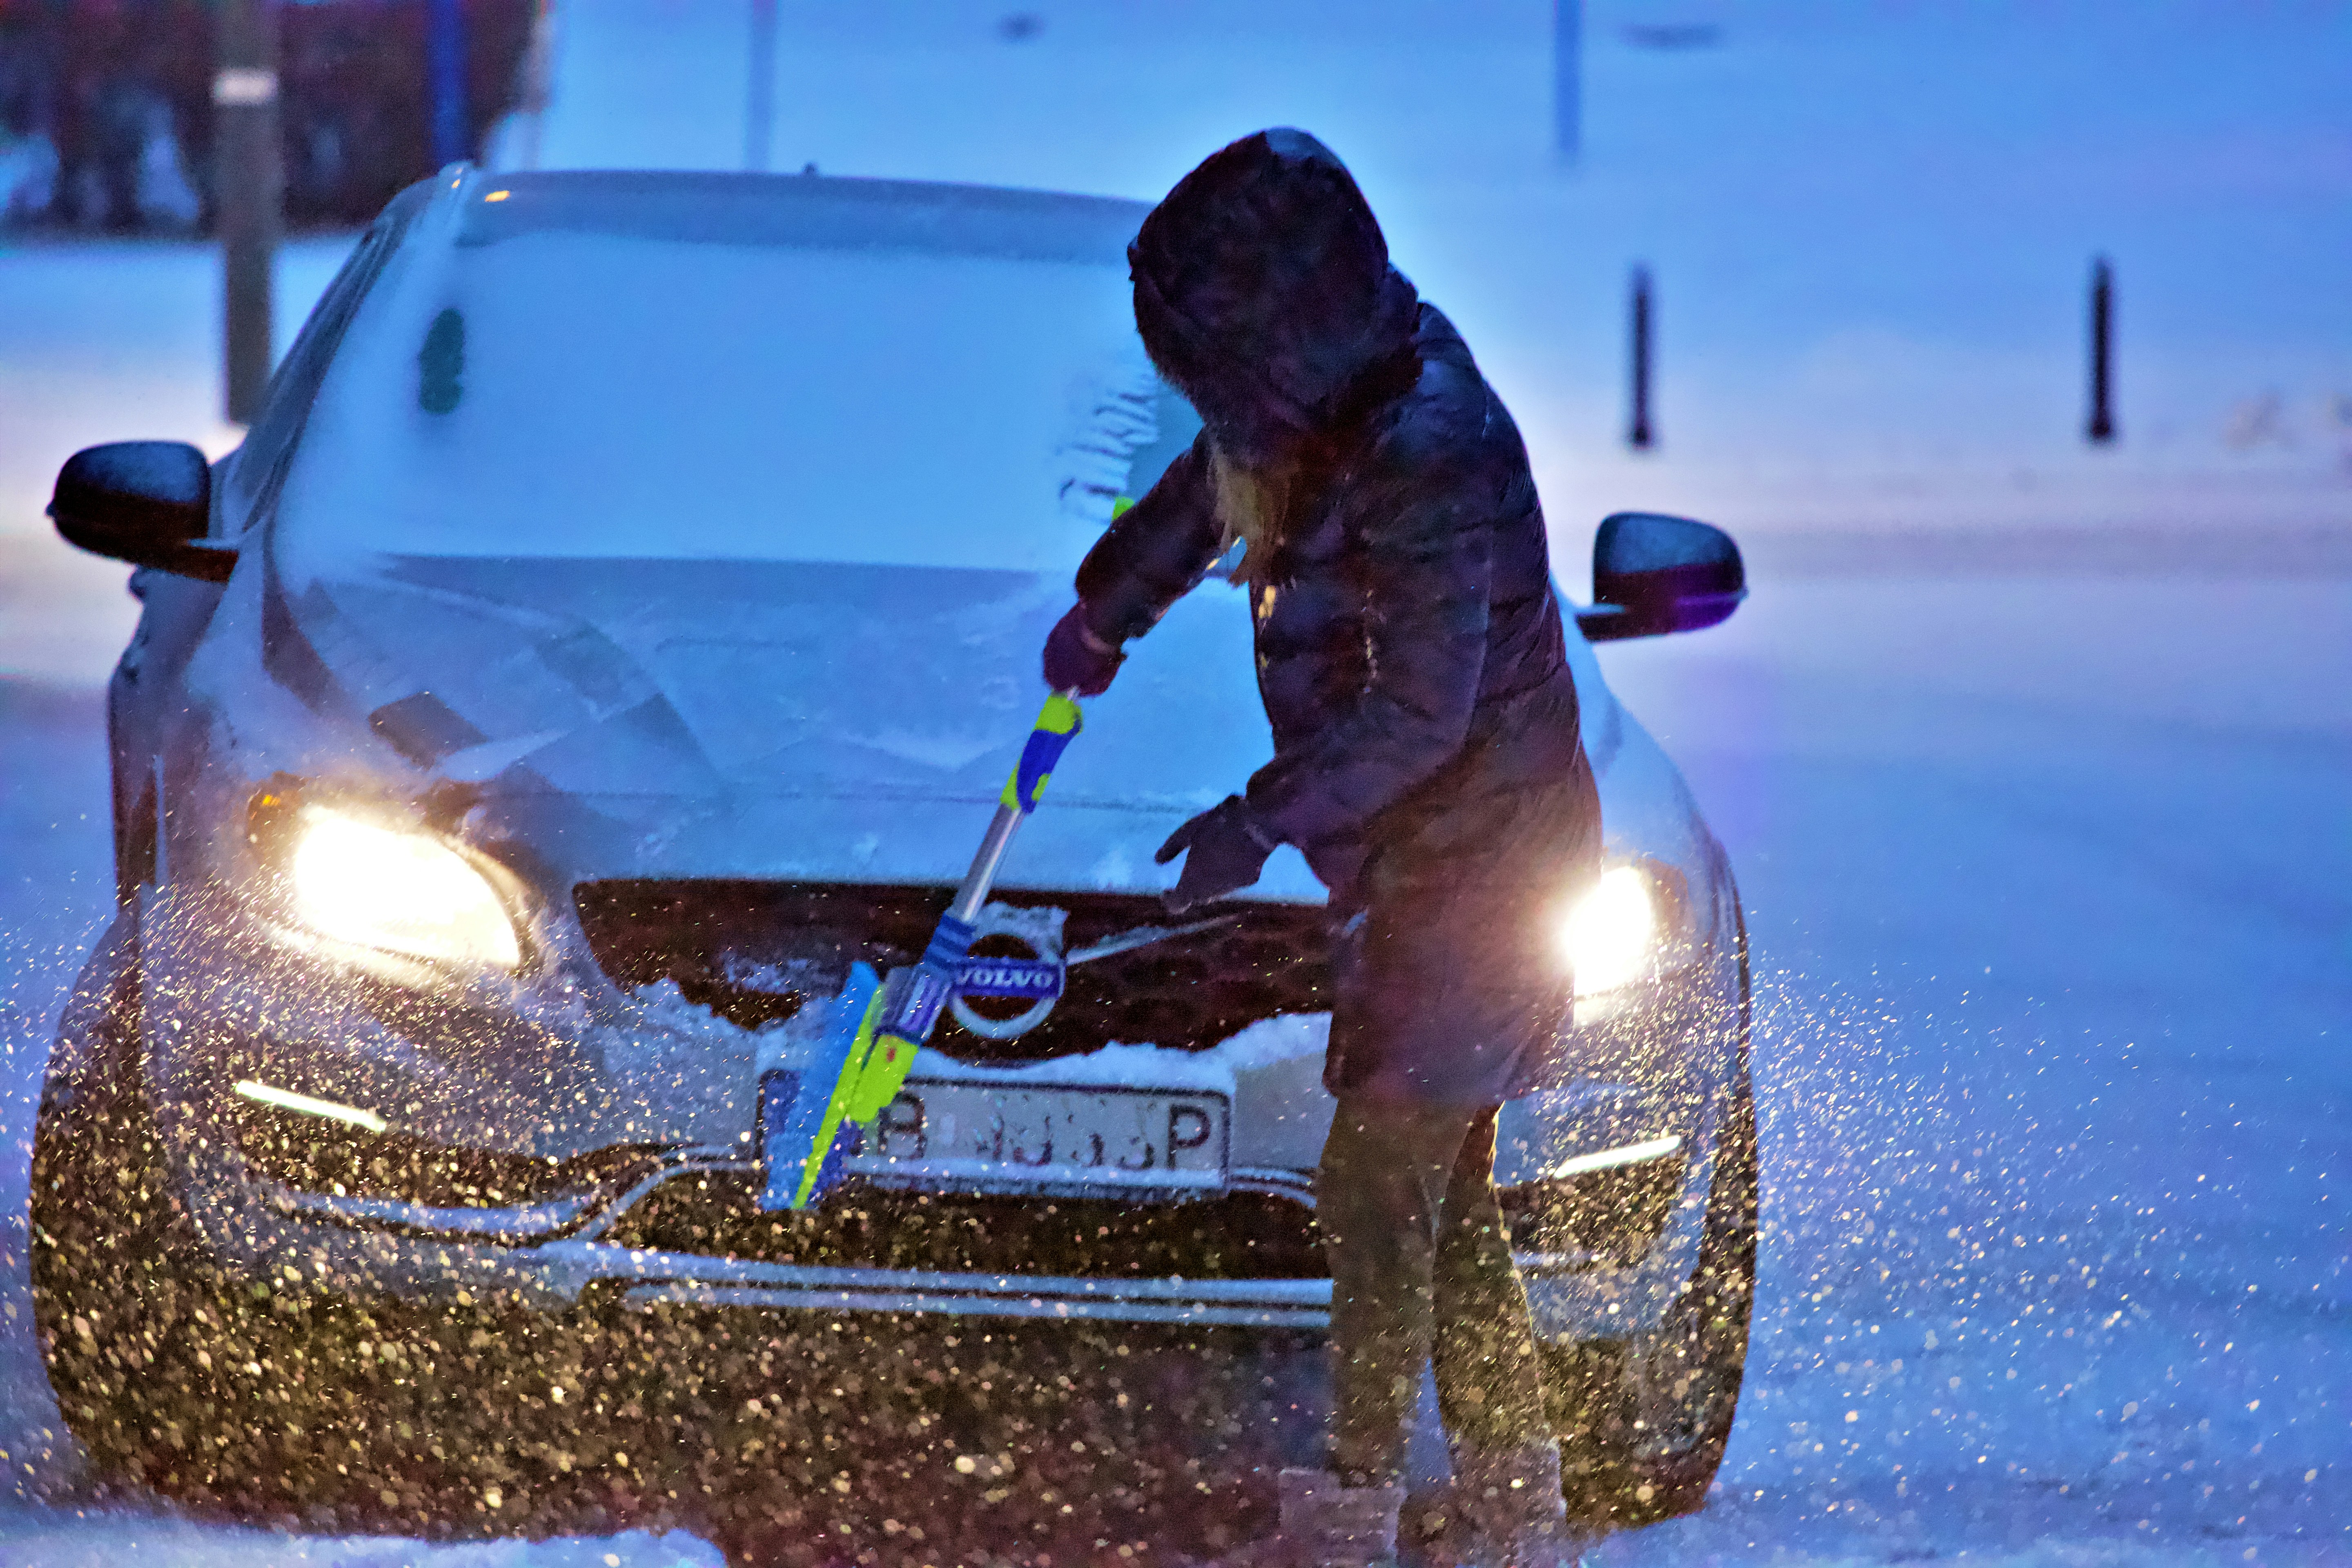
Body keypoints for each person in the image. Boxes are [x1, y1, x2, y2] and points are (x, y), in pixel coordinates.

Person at [1041, 129, 1600, 1568]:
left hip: (1490, 867)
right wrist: (1111, 610)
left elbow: (1421, 716)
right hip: (1427, 868)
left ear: (1278, 342)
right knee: (1440, 1191)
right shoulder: (1324, 407)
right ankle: (1515, 1500)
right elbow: (1207, 493)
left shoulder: (1431, 446)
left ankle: (1353, 1509)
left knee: (1372, 1183)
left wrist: (1257, 817)